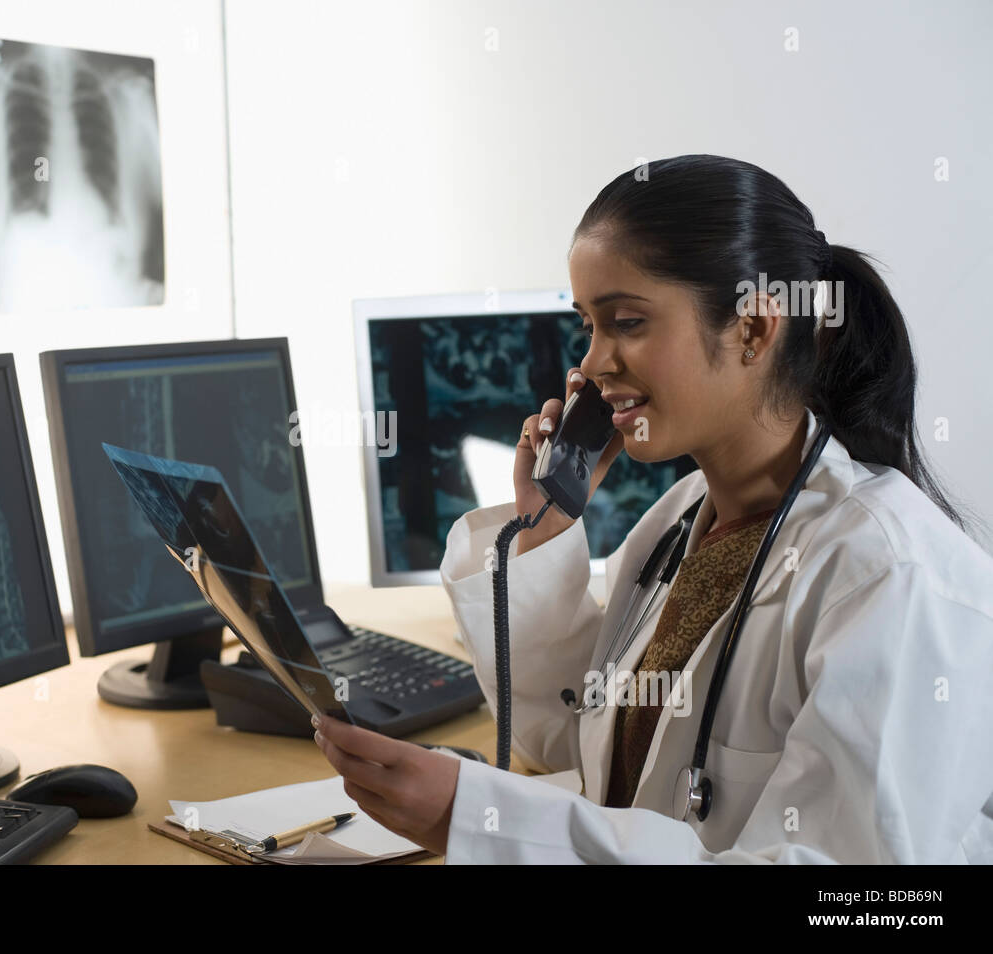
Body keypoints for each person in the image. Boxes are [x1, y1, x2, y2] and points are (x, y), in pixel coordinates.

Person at [313, 154, 993, 863]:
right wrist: (545, 532)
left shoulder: (893, 578)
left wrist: (480, 819)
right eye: (588, 326)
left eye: (627, 322)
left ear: (754, 332)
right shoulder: (677, 522)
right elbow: (572, 744)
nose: (593, 364)